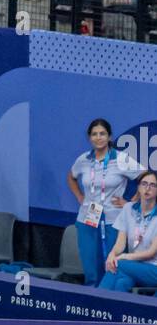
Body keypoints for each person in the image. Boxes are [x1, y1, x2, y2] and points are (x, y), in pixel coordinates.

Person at [66, 117, 145, 284]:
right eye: (94, 134)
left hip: (114, 221)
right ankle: (92, 299)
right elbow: (71, 177)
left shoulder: (121, 159)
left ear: (109, 137)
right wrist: (80, 197)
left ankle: (109, 299)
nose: (98, 137)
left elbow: (145, 176)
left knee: (113, 264)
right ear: (89, 138)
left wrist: (132, 202)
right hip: (87, 219)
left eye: (102, 133)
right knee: (90, 264)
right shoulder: (84, 159)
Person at [99, 170, 157, 291]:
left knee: (118, 265)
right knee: (122, 282)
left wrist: (124, 257)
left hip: (152, 268)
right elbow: (120, 243)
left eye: (153, 185)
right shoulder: (128, 208)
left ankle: (95, 304)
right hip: (133, 266)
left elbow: (151, 253)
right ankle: (113, 309)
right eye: (144, 184)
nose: (148, 188)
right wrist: (112, 254)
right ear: (138, 188)